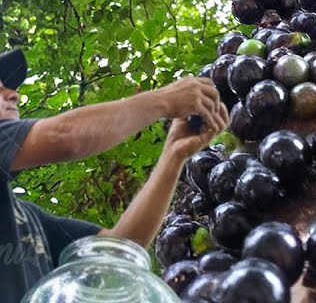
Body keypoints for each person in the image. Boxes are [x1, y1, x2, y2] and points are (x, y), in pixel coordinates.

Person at [0, 47, 229, 295]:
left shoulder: (26, 218)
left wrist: (174, 154)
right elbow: (64, 136)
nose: (13, 95)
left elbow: (117, 252)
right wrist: (164, 100)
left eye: (9, 86)